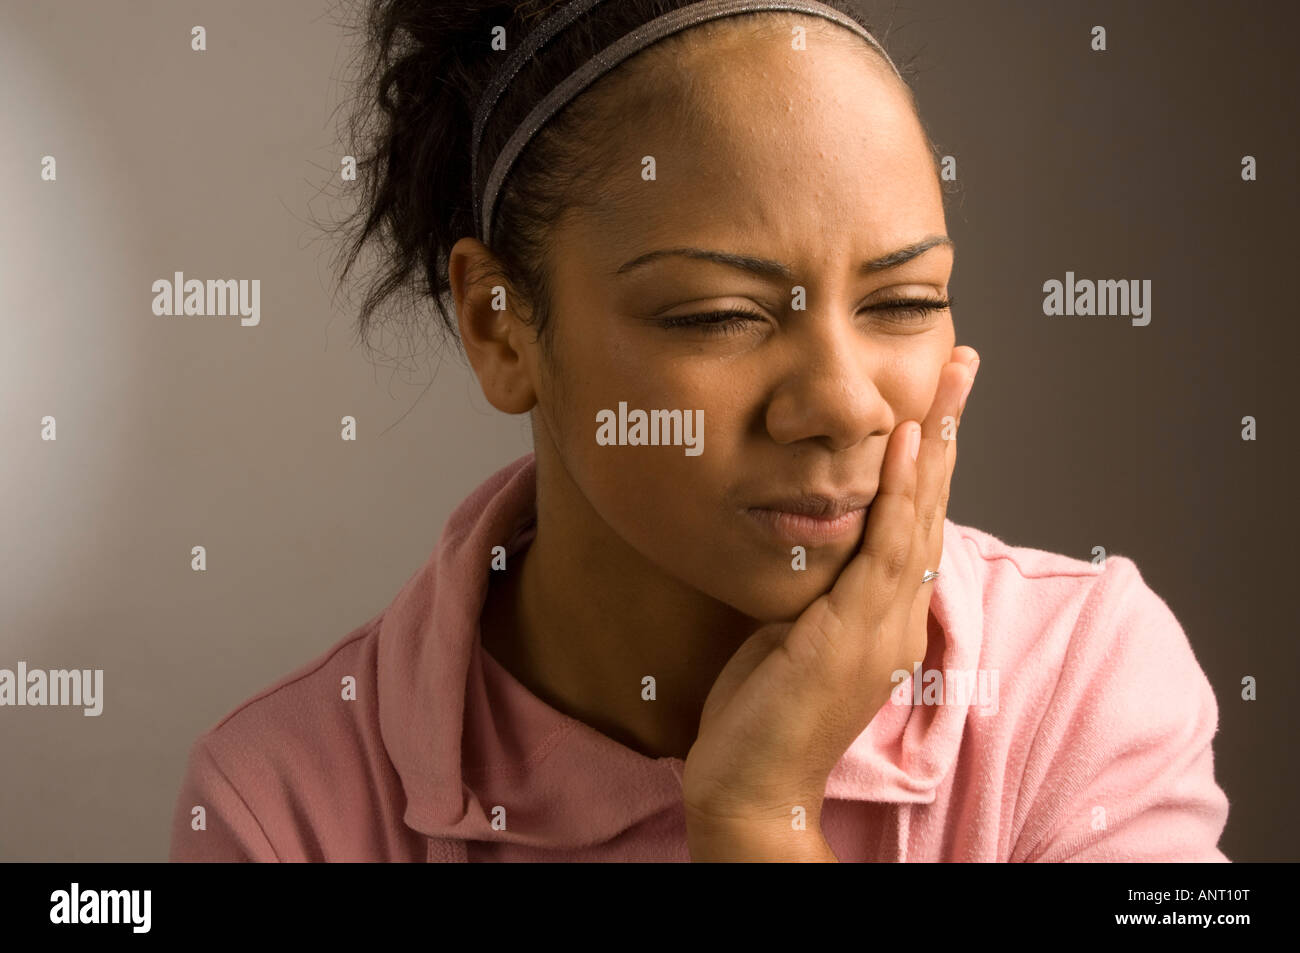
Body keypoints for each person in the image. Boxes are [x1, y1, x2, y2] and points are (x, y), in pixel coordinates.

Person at [169, 0, 1230, 862]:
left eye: (904, 302)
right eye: (720, 315)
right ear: (502, 326)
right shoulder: (285, 804)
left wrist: (760, 818)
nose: (846, 403)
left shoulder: (1080, 683)